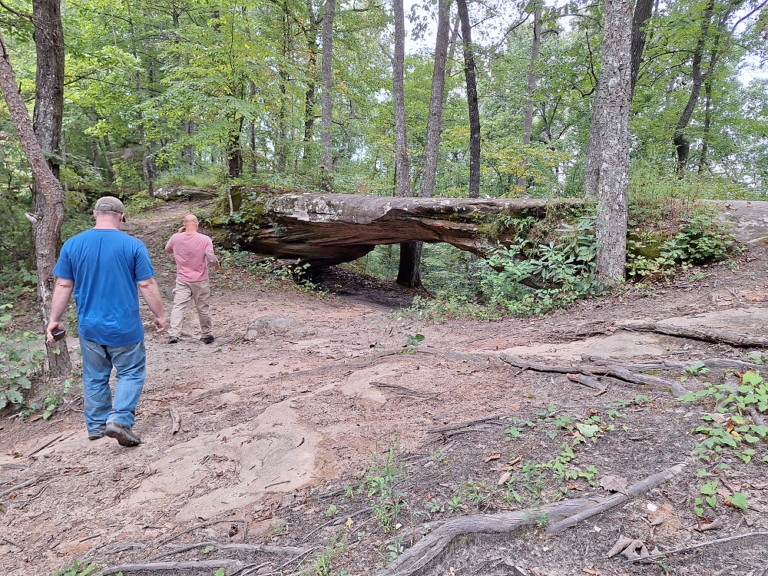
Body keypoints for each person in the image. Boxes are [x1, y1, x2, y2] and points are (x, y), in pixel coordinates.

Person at [47, 196, 166, 447]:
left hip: (89, 326)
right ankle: (120, 420)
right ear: (122, 217)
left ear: (94, 214)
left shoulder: (72, 244)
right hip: (125, 327)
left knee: (94, 376)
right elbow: (145, 283)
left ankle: (98, 425)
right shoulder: (133, 245)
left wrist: (54, 320)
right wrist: (160, 314)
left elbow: (63, 284)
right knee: (131, 373)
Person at [164, 214, 220, 345]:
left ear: (184, 225)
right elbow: (211, 258)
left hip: (182, 278)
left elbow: (168, 250)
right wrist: (216, 264)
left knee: (178, 306)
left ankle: (174, 333)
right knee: (202, 307)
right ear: (197, 224)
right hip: (200, 279)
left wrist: (177, 235)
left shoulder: (175, 238)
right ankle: (206, 334)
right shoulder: (205, 239)